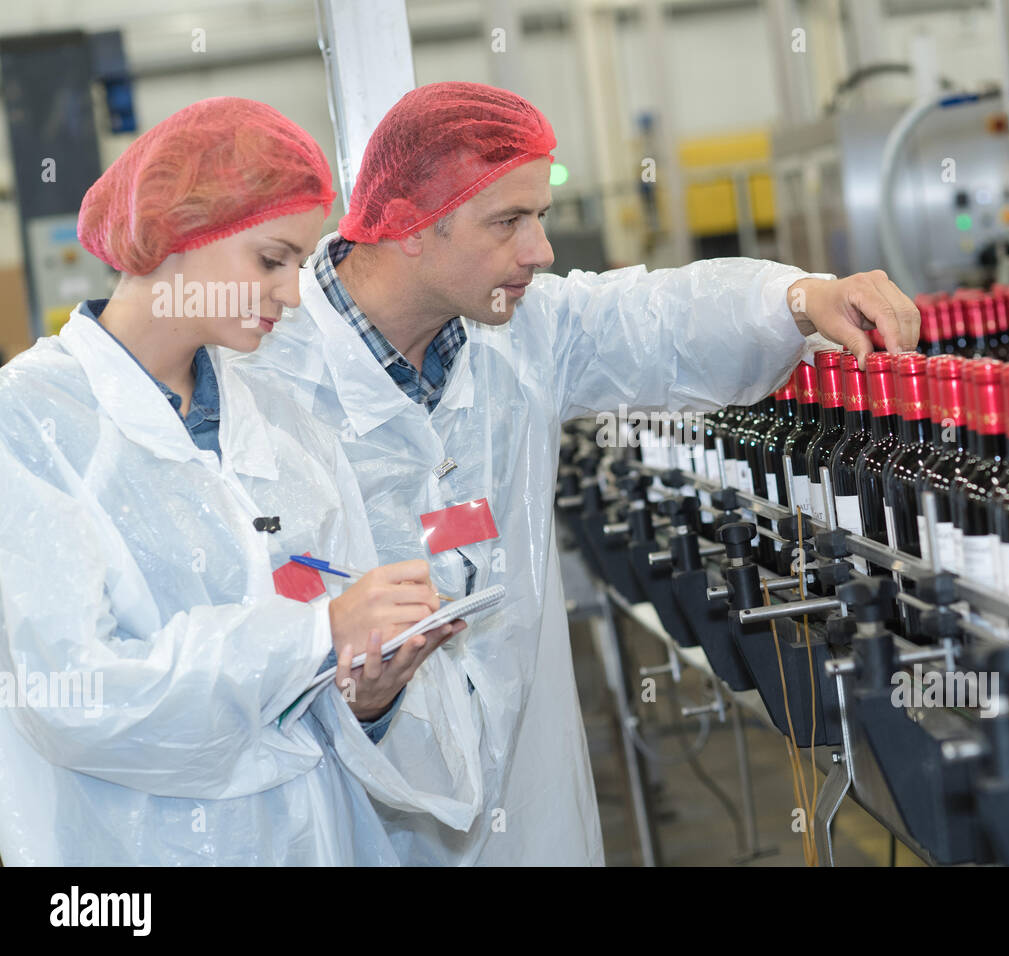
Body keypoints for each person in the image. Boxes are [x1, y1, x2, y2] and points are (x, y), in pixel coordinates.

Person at [239, 81, 921, 865]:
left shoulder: (517, 335)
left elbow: (656, 319)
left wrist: (801, 299)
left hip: (529, 806)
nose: (540, 250)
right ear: (413, 227)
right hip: (352, 819)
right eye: (509, 222)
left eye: (540, 217)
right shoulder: (260, 379)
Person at [0, 97, 486, 865]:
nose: (294, 295)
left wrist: (370, 690)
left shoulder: (283, 423)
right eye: (272, 259)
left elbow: (322, 684)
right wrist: (315, 634)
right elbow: (75, 696)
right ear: (174, 233)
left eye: (299, 262)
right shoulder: (30, 421)